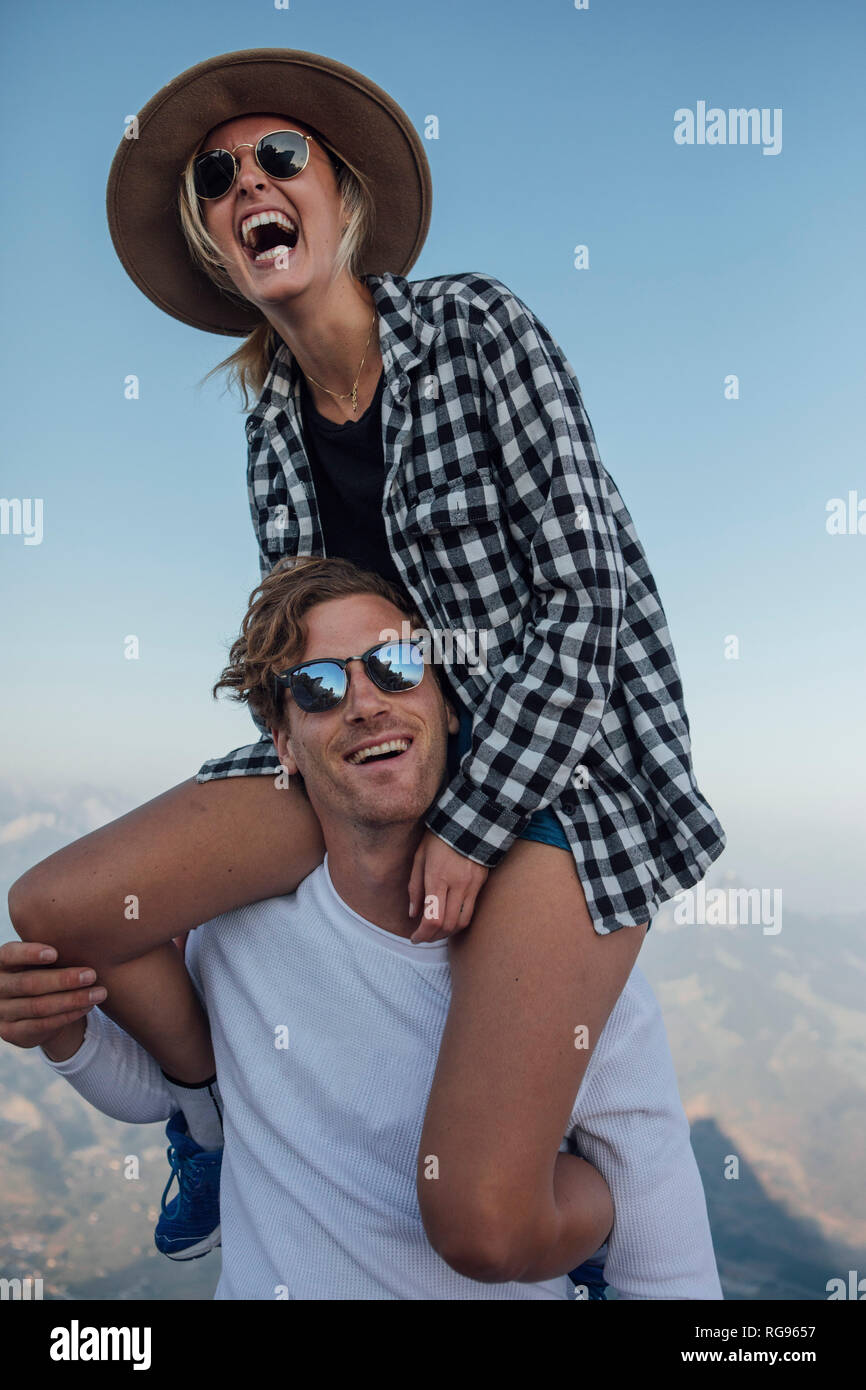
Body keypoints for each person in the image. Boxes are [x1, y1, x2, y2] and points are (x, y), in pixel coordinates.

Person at [7, 47, 727, 1281]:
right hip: (377, 741)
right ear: (215, 245)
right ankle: (207, 1122)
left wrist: (476, 820)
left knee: (483, 1222)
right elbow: (303, 644)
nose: (248, 185)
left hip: (568, 770)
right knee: (56, 908)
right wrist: (278, 743)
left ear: (340, 200)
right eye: (217, 181)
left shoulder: (480, 329)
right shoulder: (269, 424)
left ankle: (602, 1217)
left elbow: (587, 599)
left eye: (277, 160)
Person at [2, 558, 723, 1299]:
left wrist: (596, 1220)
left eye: (396, 665)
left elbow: (669, 1270)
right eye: (318, 687)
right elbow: (168, 1095)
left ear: (448, 705)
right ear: (281, 746)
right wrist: (60, 1032)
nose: (366, 702)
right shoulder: (234, 935)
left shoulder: (565, 974)